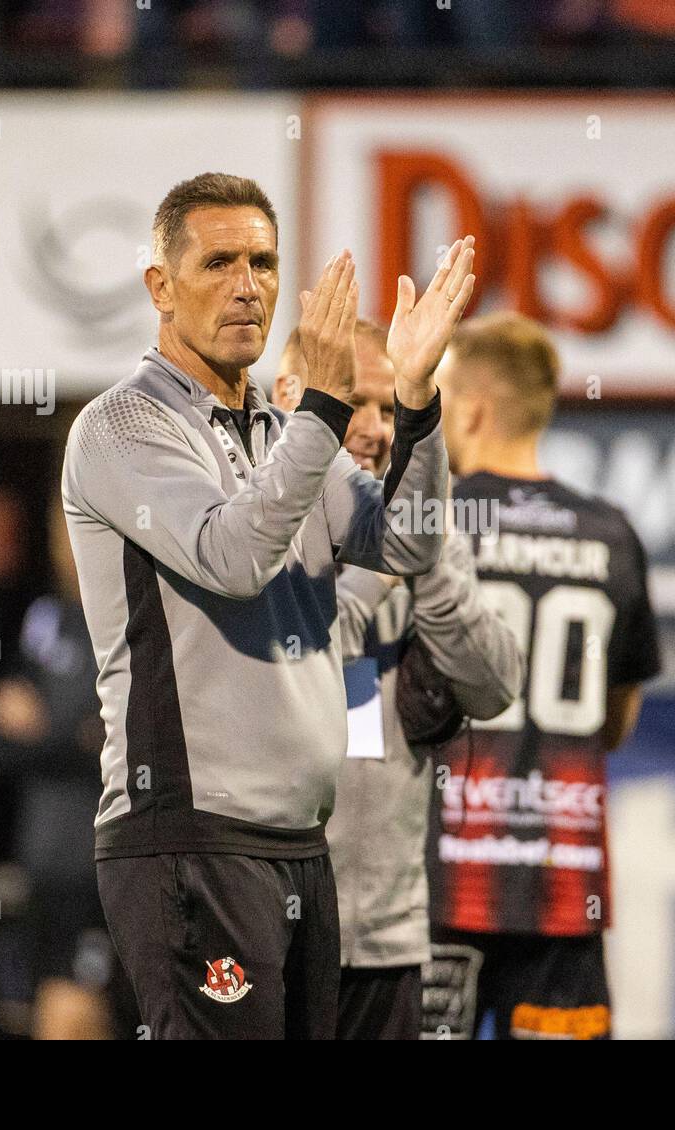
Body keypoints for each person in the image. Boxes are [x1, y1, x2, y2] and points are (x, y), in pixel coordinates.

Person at [61, 171, 475, 1039]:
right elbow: (233, 555)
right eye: (218, 262)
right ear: (159, 288)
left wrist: (418, 401)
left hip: (298, 846)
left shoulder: (287, 437)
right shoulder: (121, 429)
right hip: (190, 838)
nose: (248, 284)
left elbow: (409, 543)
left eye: (263, 261)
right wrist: (325, 407)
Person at [273, 321, 523, 1040]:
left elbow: (494, 685)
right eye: (359, 404)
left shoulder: (426, 528)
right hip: (264, 917)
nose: (379, 430)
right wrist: (379, 568)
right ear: (294, 393)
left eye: (392, 409)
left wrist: (420, 548)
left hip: (384, 928)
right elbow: (299, 664)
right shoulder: (252, 518)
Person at [426, 312, 662, 1040]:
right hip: (565, 886)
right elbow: (616, 722)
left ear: (470, 407)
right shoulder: (612, 533)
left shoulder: (435, 519)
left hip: (442, 879)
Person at [0, 501, 138, 1039]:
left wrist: (48, 731)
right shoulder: (46, 618)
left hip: (118, 859)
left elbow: (122, 743)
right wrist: (68, 735)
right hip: (50, 863)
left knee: (92, 1012)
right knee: (53, 1011)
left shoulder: (139, 616)